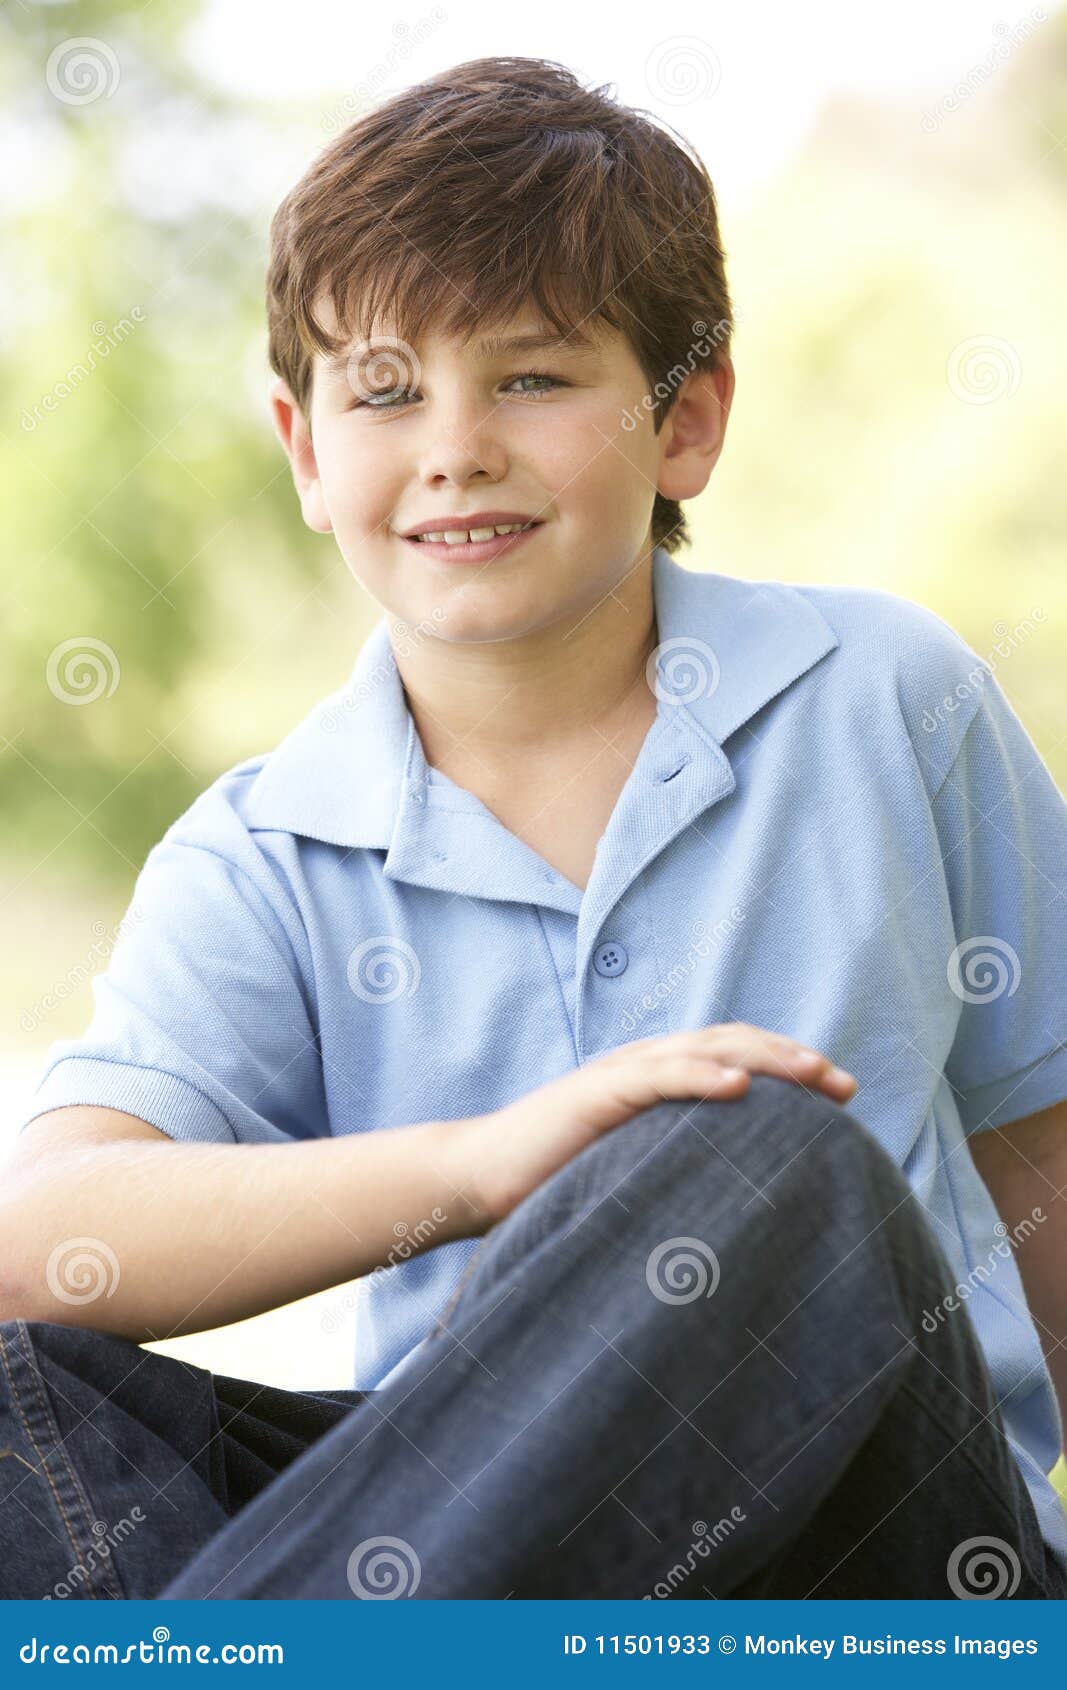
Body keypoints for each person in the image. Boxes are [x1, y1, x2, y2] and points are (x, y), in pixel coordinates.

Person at [2, 55, 1065, 1601]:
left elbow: (1045, 1159)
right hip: (493, 1573)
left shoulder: (888, 699)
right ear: (306, 449)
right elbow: (51, 1239)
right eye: (385, 387)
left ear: (685, 422)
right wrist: (492, 1165)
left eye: (533, 376)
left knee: (758, 1154)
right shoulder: (269, 852)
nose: (454, 445)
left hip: (874, 1544)